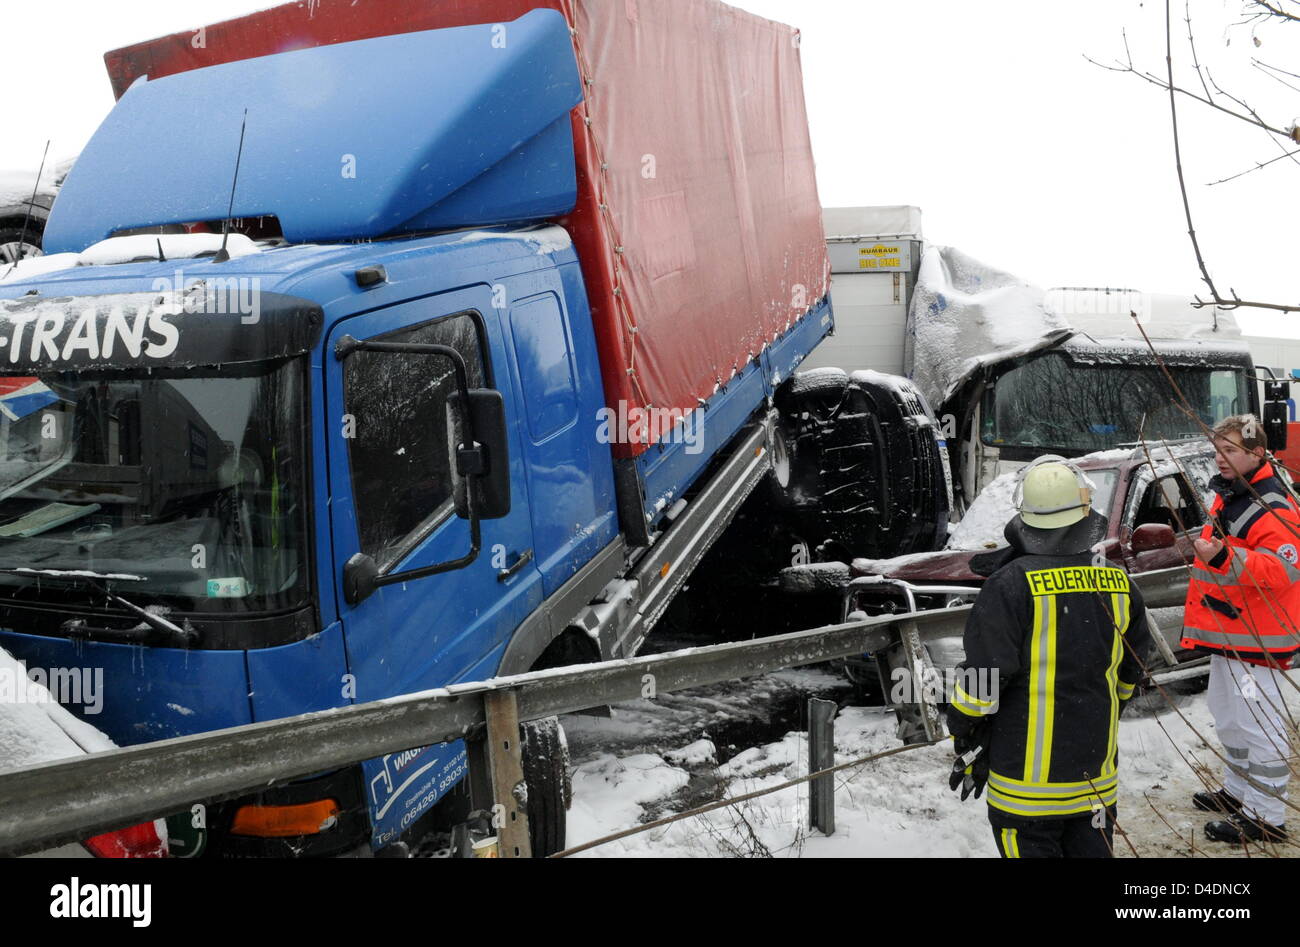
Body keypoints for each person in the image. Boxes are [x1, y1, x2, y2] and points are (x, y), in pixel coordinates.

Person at [946, 456, 1152, 857]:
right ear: (1084, 514)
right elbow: (1132, 673)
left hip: (1026, 792)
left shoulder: (1009, 585)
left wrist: (963, 728)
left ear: (1026, 518)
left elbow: (984, 680)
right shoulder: (1118, 582)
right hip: (1095, 783)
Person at [1181, 415, 1300, 845]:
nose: (1220, 458)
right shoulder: (1234, 492)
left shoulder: (1273, 504)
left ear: (1256, 453)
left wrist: (1221, 557)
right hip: (1232, 635)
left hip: (1257, 645)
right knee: (1229, 718)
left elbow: (1285, 567)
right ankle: (1238, 792)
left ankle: (1266, 816)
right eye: (1218, 450)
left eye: (1230, 450)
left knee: (1258, 724)